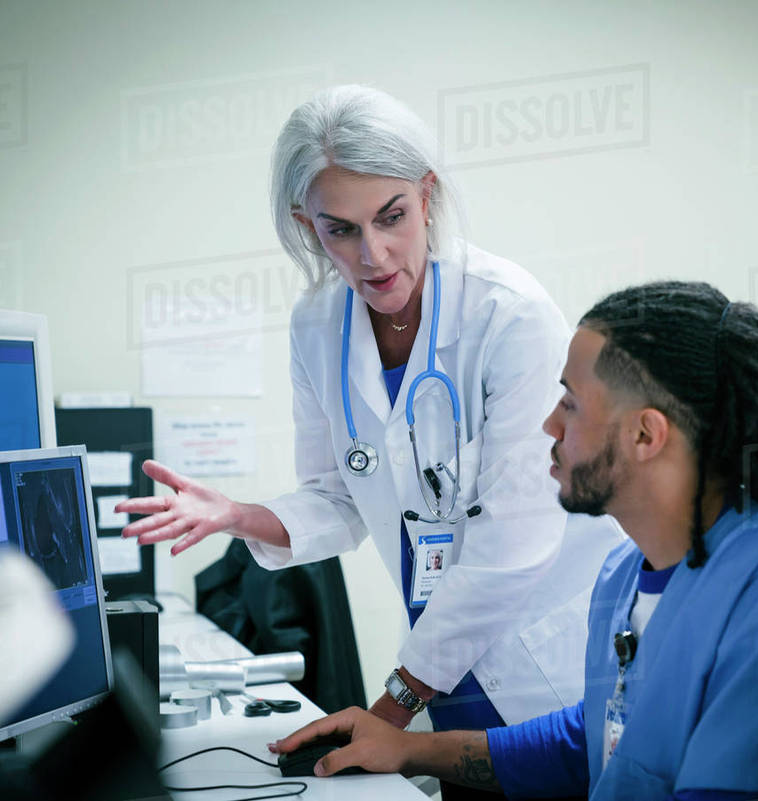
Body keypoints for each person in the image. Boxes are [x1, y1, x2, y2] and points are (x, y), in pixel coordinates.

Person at [117, 85, 623, 800]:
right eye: (340, 230)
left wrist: (388, 715)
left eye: (392, 217)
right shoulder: (316, 325)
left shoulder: (510, 316)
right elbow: (335, 495)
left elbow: (515, 543)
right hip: (443, 664)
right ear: (306, 224)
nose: (374, 254)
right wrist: (237, 514)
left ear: (428, 195)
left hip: (544, 655)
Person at [270, 282, 758, 800]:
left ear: (645, 434)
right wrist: (407, 749)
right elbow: (591, 740)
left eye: (569, 403)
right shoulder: (623, 576)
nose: (549, 426)